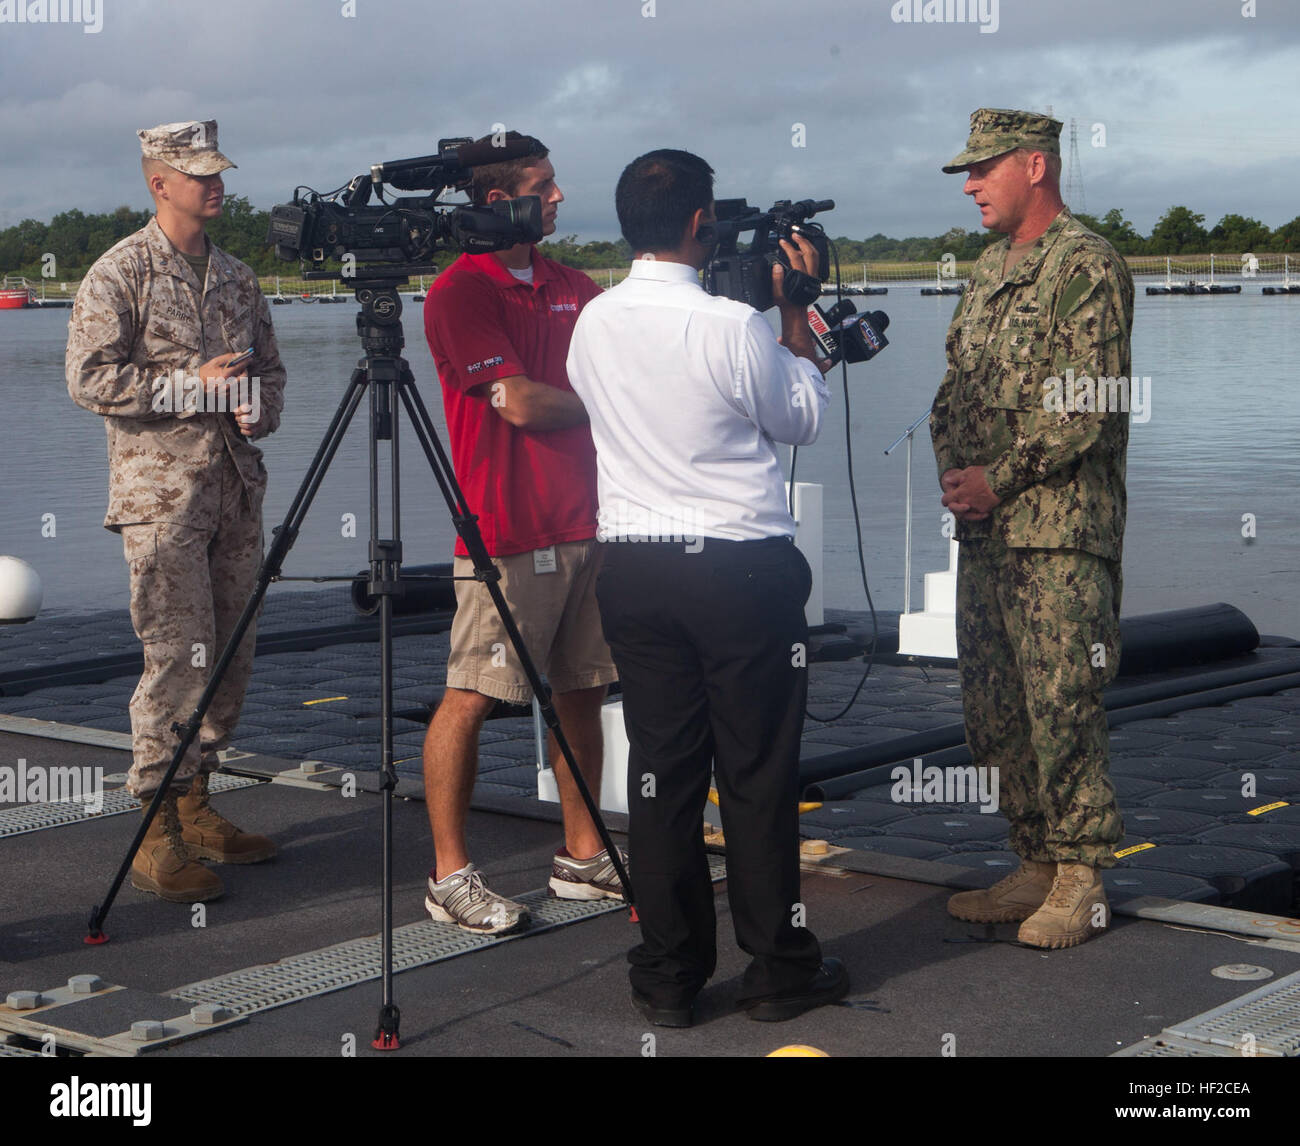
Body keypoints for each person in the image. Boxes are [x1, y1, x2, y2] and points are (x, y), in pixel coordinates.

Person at [566, 148, 848, 1026]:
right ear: (701, 223)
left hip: (636, 569)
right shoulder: (732, 325)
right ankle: (776, 972)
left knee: (664, 775)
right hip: (738, 567)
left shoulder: (593, 322)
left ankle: (668, 978)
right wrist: (798, 317)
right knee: (758, 774)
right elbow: (797, 416)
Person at [930, 108, 1135, 948]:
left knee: (1062, 698)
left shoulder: (1086, 264)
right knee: (995, 705)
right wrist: (955, 476)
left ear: (1036, 166)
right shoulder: (986, 269)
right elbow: (955, 385)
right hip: (986, 532)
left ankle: (1083, 877)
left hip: (1057, 531)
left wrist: (998, 478)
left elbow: (1087, 408)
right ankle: (1036, 860)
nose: (972, 185)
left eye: (984, 169)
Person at [66, 120, 286, 903]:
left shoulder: (237, 276)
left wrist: (259, 407)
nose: (216, 183)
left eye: (218, 170)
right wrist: (190, 385)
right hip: (162, 500)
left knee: (230, 651)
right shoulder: (118, 272)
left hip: (233, 488)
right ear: (159, 182)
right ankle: (155, 827)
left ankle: (196, 799)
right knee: (176, 653)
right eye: (199, 173)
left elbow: (271, 372)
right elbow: (90, 381)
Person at [420, 133, 622, 935]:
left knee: (585, 688)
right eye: (546, 185)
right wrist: (608, 402)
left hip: (589, 521)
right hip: (504, 532)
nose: (561, 196)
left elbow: (623, 369)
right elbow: (518, 403)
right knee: (471, 695)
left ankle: (581, 857)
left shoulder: (577, 285)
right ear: (500, 201)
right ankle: (450, 875)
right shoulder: (458, 292)